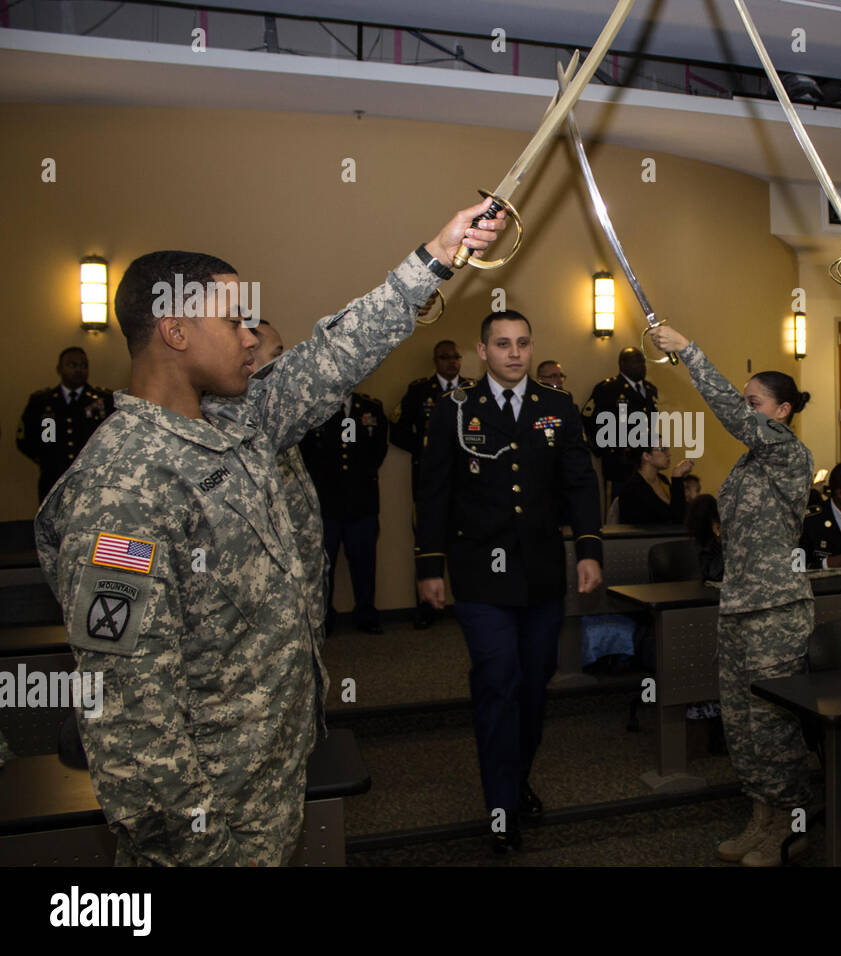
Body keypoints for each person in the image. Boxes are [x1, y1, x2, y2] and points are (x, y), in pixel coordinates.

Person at [34, 200, 505, 866]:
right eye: (235, 322)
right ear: (175, 331)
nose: (252, 338)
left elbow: (334, 354)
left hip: (271, 783)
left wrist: (436, 255)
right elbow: (128, 715)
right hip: (209, 830)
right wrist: (204, 851)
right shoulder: (121, 488)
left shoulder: (238, 422)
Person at [415, 309, 603, 855]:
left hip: (541, 572)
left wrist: (589, 550)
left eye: (522, 343)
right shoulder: (454, 410)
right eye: (502, 344)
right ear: (483, 352)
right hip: (480, 573)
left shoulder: (557, 407)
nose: (514, 353)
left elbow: (579, 483)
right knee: (498, 681)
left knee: (534, 683)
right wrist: (429, 565)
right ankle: (500, 808)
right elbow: (434, 491)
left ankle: (516, 779)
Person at [647, 322, 814, 868]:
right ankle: (760, 818)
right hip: (739, 607)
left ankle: (790, 826)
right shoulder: (748, 462)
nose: (746, 411)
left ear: (782, 411)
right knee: (741, 723)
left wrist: (690, 353)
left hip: (776, 611)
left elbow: (732, 417)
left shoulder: (788, 452)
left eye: (754, 403)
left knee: (773, 726)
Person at [248, 320, 329, 656]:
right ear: (249, 359)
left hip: (305, 589)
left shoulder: (277, 418)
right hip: (276, 614)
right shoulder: (245, 424)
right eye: (277, 355)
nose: (284, 364)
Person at [392, 338, 476, 627]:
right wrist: (429, 451)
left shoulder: (473, 390)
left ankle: (470, 604)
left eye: (456, 357)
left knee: (469, 544)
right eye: (445, 357)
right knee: (428, 541)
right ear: (435, 361)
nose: (452, 362)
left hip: (467, 482)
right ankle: (427, 607)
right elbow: (398, 430)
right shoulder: (419, 391)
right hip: (430, 482)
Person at [299, 390, 389, 634]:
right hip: (326, 503)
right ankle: (323, 619)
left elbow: (379, 448)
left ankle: (366, 615)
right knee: (323, 565)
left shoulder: (371, 407)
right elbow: (305, 453)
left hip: (362, 502)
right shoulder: (316, 407)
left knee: (364, 563)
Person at [17, 347, 115, 501]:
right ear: (59, 369)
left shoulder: (103, 400)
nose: (79, 370)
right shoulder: (44, 402)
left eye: (84, 365)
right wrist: (47, 460)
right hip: (54, 480)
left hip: (91, 481)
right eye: (72, 365)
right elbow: (26, 440)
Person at [581, 346, 658, 499]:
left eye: (643, 362)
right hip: (619, 462)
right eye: (636, 361)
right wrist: (602, 448)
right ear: (623, 364)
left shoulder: (650, 389)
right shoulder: (609, 388)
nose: (641, 366)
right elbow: (588, 417)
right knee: (618, 505)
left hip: (645, 461)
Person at [617, 446, 693, 525]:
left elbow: (680, 513)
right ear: (646, 456)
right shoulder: (633, 489)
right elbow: (671, 519)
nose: (668, 454)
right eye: (662, 449)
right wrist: (677, 479)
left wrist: (678, 479)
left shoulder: (662, 479)